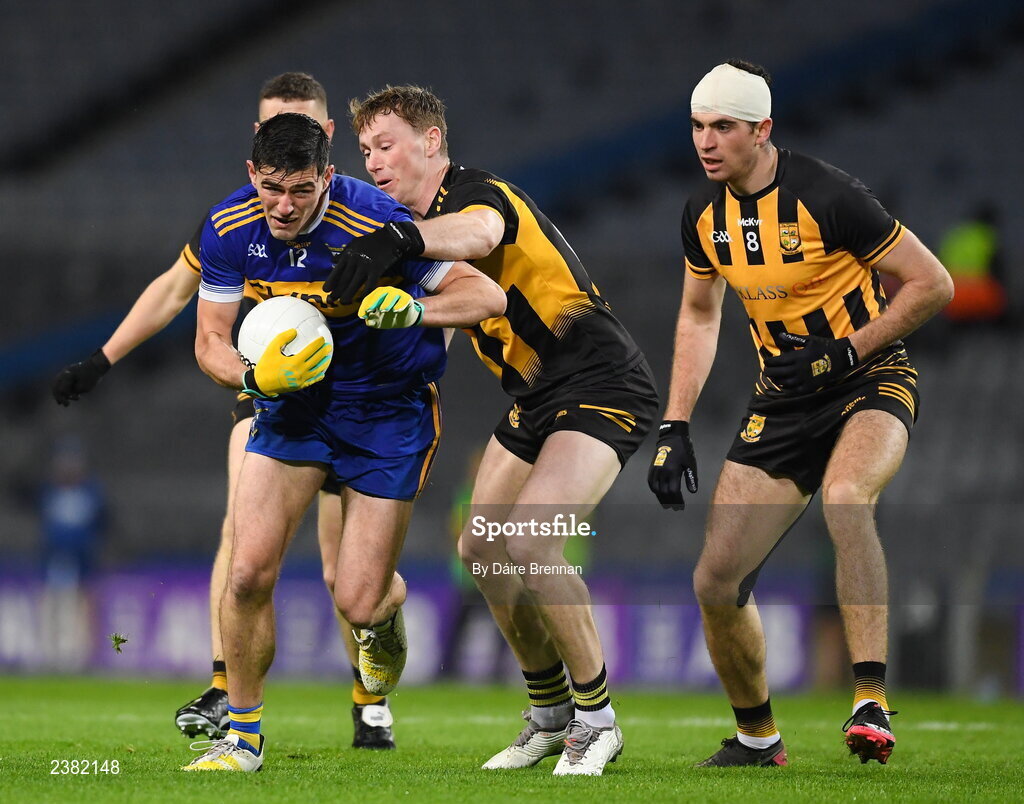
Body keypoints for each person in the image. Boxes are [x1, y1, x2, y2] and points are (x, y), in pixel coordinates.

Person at [51, 73, 399, 750]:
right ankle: (226, 688)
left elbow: (438, 282)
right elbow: (178, 294)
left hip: (361, 399)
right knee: (240, 538)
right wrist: (104, 357)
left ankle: (370, 696)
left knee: (346, 581)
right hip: (267, 390)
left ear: (327, 143)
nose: (284, 187)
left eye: (299, 151)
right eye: (269, 138)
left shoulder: (373, 217)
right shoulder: (236, 221)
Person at [342, 85, 659, 776]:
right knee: (481, 548)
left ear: (431, 142)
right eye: (364, 150)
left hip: (599, 377)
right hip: (535, 396)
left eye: (385, 145)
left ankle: (596, 721)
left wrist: (399, 239)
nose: (372, 161)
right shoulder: (418, 234)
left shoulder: (478, 196)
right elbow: (458, 308)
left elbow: (482, 236)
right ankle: (548, 715)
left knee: (531, 540)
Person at [647, 61, 953, 767]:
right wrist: (675, 424)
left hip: (870, 378)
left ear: (763, 130)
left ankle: (869, 700)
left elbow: (931, 283)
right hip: (783, 401)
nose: (706, 141)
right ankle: (758, 739)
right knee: (715, 582)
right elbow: (699, 314)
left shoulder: (830, 195)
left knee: (847, 498)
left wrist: (847, 353)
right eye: (697, 126)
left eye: (723, 126)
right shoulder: (701, 213)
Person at [184, 111, 504, 772]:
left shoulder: (376, 225)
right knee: (246, 572)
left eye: (302, 190)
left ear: (329, 176)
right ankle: (242, 741)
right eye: (272, 187)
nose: (285, 205)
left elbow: (487, 294)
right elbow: (210, 341)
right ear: (252, 175)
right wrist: (251, 376)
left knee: (357, 598)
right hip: (294, 409)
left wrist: (414, 308)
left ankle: (385, 610)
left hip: (385, 414)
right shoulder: (228, 230)